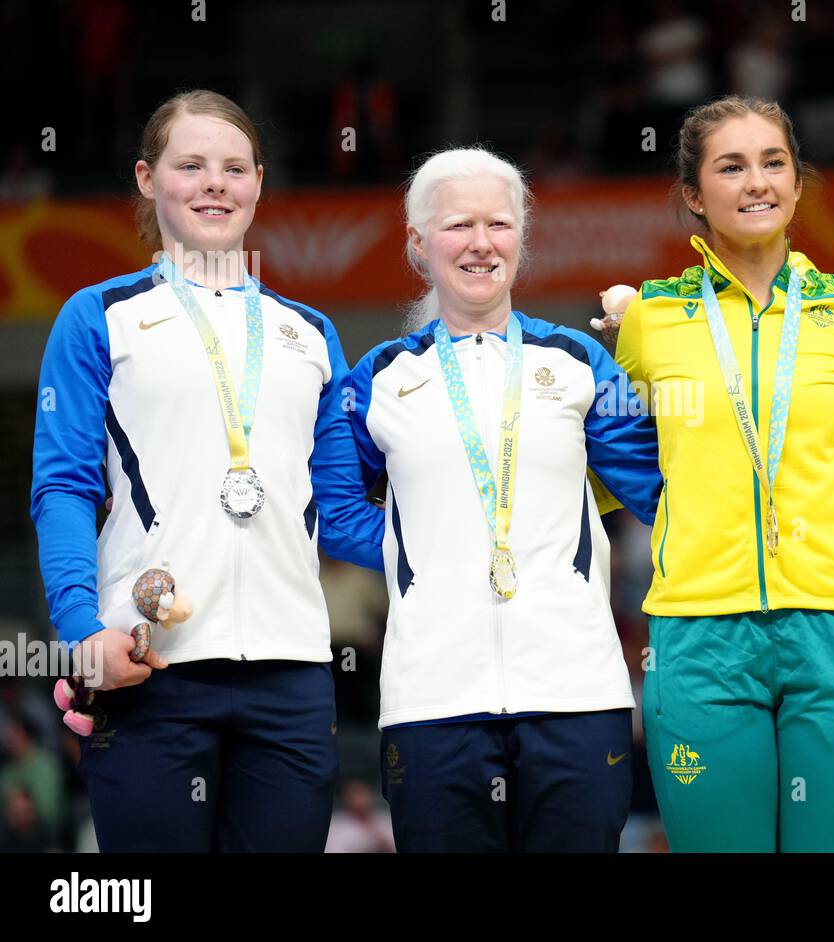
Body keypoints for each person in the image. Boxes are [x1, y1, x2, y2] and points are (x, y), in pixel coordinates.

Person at [31, 90, 384, 852]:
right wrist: (81, 629)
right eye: (189, 165)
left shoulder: (311, 334)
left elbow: (347, 511)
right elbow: (64, 485)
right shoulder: (100, 317)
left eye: (233, 167)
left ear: (259, 182)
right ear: (147, 179)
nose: (214, 183)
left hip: (292, 672)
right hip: (151, 663)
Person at [346, 147, 662, 852]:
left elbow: (659, 491)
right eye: (458, 225)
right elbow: (331, 509)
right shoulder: (379, 378)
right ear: (417, 242)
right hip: (432, 702)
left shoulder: (579, 363)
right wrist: (423, 552)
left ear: (521, 238)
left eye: (500, 223)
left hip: (576, 695)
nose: (481, 243)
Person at [612, 97, 834, 852]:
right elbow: (612, 459)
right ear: (693, 196)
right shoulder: (651, 320)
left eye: (774, 163)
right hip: (701, 627)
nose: (756, 182)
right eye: (730, 166)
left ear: (799, 185)